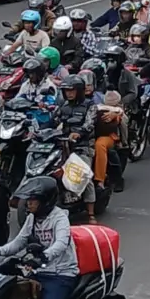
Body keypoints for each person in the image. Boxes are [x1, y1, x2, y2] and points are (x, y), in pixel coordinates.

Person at [0, 177, 80, 299]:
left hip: (61, 275)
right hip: (39, 272)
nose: (28, 203)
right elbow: (20, 241)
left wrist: (43, 257)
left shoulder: (60, 218)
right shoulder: (32, 218)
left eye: (33, 200)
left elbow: (60, 243)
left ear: (46, 201)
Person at [57, 75, 97, 222]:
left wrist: (78, 133)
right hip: (63, 146)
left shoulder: (89, 105)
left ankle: (91, 213)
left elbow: (89, 124)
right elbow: (55, 122)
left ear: (79, 91)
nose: (69, 93)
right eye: (66, 91)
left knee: (84, 176)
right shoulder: (63, 106)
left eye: (72, 90)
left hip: (83, 147)